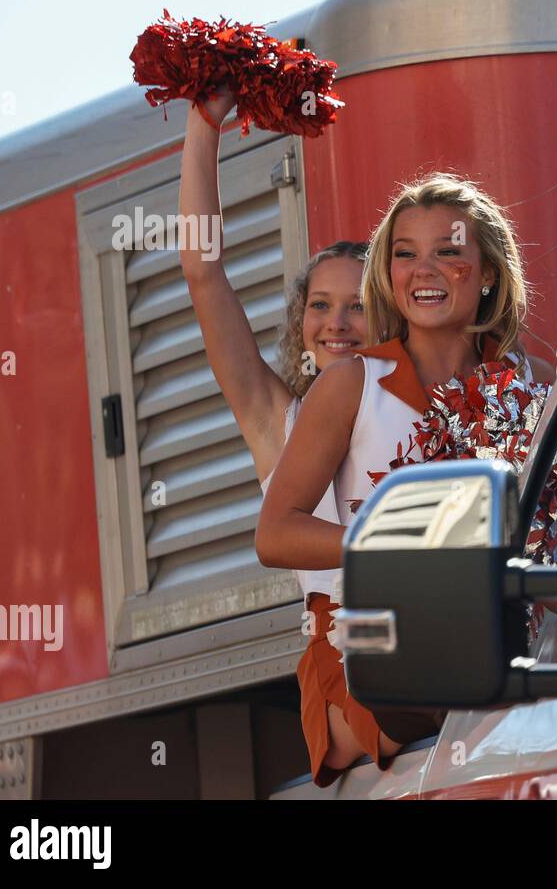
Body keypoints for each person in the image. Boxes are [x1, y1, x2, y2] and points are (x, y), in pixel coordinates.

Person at [256, 172, 554, 786]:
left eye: (448, 251)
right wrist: (392, 548)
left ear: (489, 271)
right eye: (405, 254)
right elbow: (275, 534)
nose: (425, 270)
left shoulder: (535, 388)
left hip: (510, 640)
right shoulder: (350, 384)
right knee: (463, 684)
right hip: (370, 649)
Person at [177, 87, 369, 779]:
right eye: (321, 306)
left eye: (359, 307)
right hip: (353, 677)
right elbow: (202, 274)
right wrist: (205, 123)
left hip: (444, 654)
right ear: (301, 324)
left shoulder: (426, 410)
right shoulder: (277, 421)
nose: (337, 324)